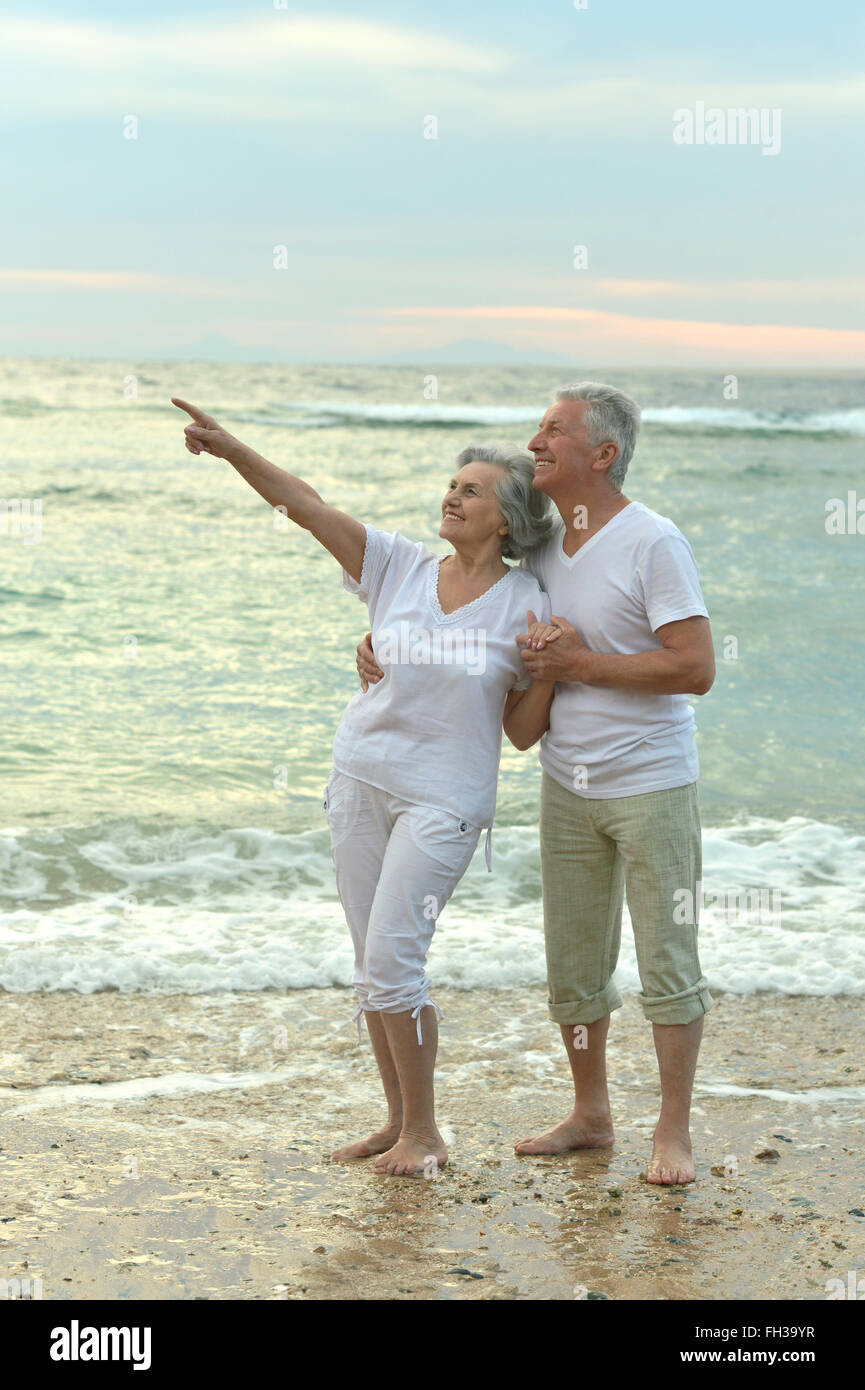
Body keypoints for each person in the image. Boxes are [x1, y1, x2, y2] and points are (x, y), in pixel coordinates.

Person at [171, 398, 557, 1176]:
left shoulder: (528, 603)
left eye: (472, 491)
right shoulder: (398, 565)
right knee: (370, 964)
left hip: (444, 802)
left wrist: (549, 670)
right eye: (451, 485)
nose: (452, 497)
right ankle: (397, 1122)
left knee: (392, 962)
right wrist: (231, 448)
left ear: (507, 522)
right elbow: (307, 506)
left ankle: (426, 1134)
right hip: (357, 780)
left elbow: (520, 732)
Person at [357, 381, 716, 1185]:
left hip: (651, 781)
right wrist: (382, 642)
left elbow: (695, 668)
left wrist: (579, 662)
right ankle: (591, 1114)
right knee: (574, 965)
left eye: (553, 430)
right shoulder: (544, 551)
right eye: (538, 428)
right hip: (566, 782)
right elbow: (470, 615)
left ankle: (672, 1132)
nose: (535, 442)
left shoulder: (653, 542)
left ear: (603, 454)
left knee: (666, 963)